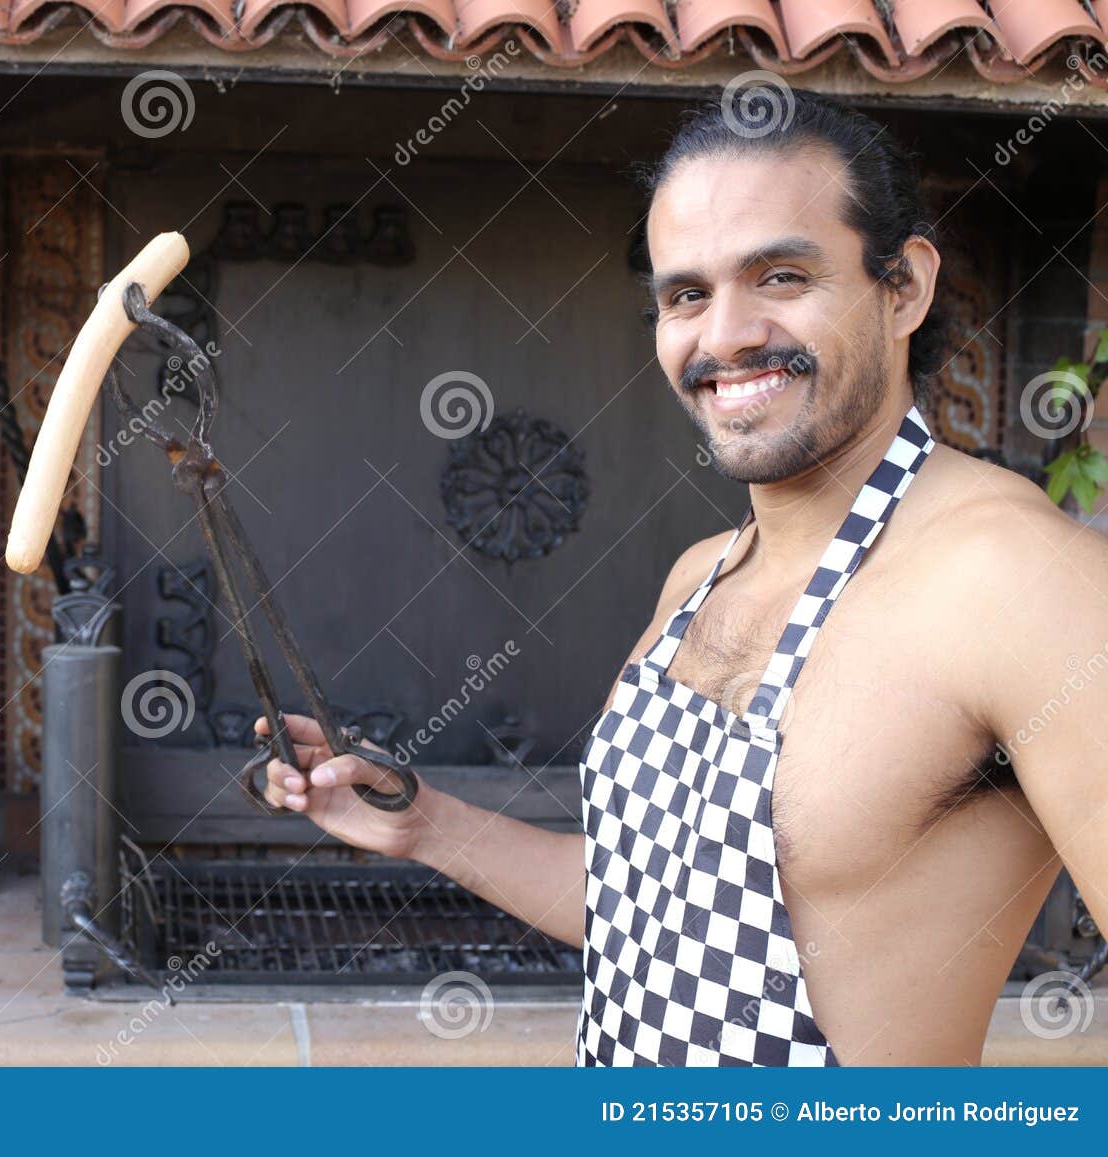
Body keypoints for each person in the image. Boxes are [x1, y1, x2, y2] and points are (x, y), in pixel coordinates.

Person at [257, 86, 1108, 1066]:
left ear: (903, 286)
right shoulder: (699, 574)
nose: (725, 335)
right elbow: (653, 913)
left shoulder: (1019, 578)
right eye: (685, 294)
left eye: (780, 274)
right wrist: (425, 826)